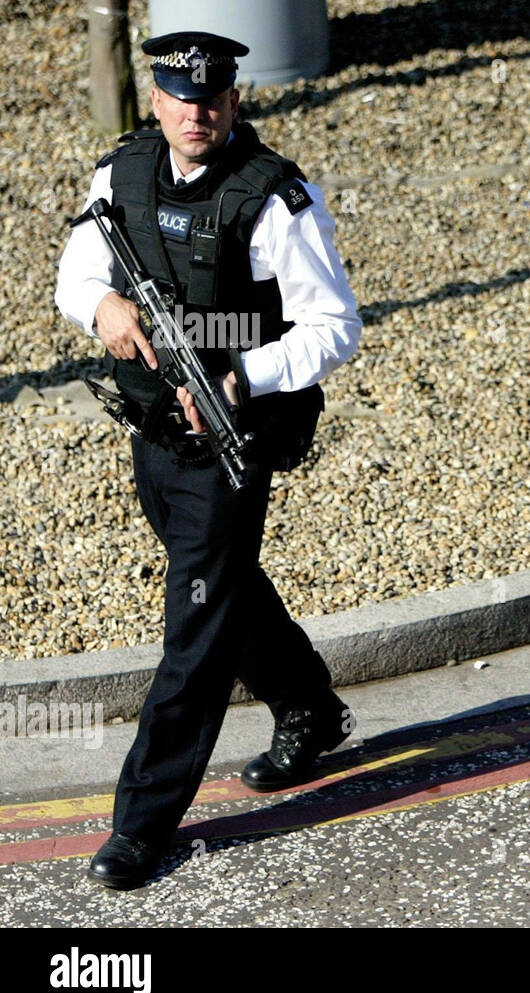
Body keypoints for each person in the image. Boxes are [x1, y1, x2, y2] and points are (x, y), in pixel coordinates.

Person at [54, 31, 363, 891]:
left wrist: (241, 375)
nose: (197, 112)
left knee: (192, 633)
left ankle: (142, 825)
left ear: (235, 101)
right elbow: (74, 274)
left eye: (214, 97)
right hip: (153, 433)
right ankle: (307, 705)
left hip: (232, 444)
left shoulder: (273, 199)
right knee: (223, 586)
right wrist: (105, 307)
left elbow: (335, 326)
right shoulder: (121, 177)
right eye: (180, 98)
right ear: (155, 101)